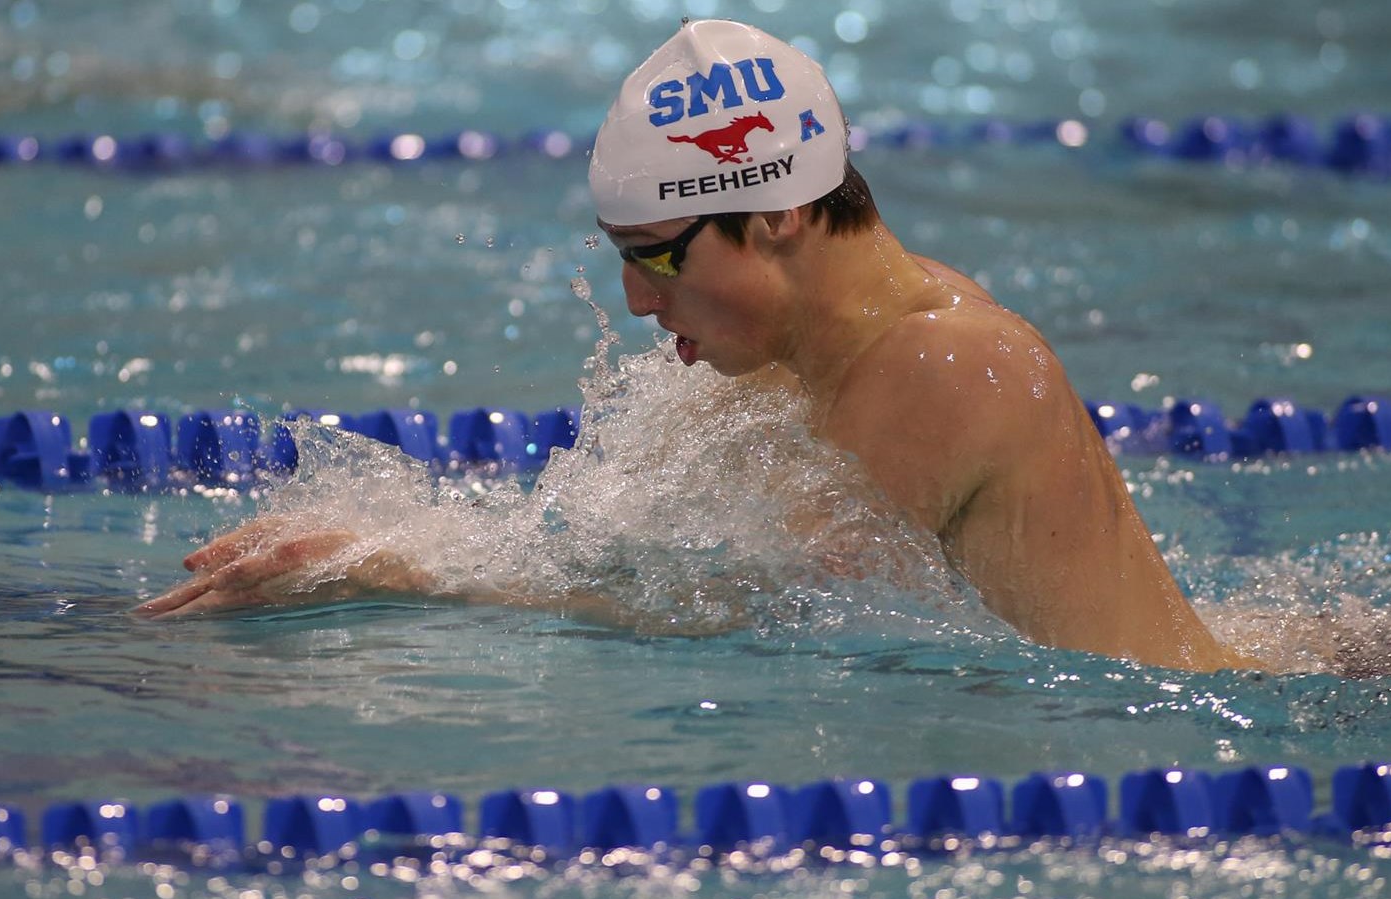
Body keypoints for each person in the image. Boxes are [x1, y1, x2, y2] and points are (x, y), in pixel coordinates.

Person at [139, 19, 1251, 674]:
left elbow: (742, 612)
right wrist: (378, 530)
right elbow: (628, 551)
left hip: (1178, 744)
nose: (631, 299)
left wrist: (408, 575)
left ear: (776, 216)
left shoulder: (942, 364)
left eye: (659, 258)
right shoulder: (801, 347)